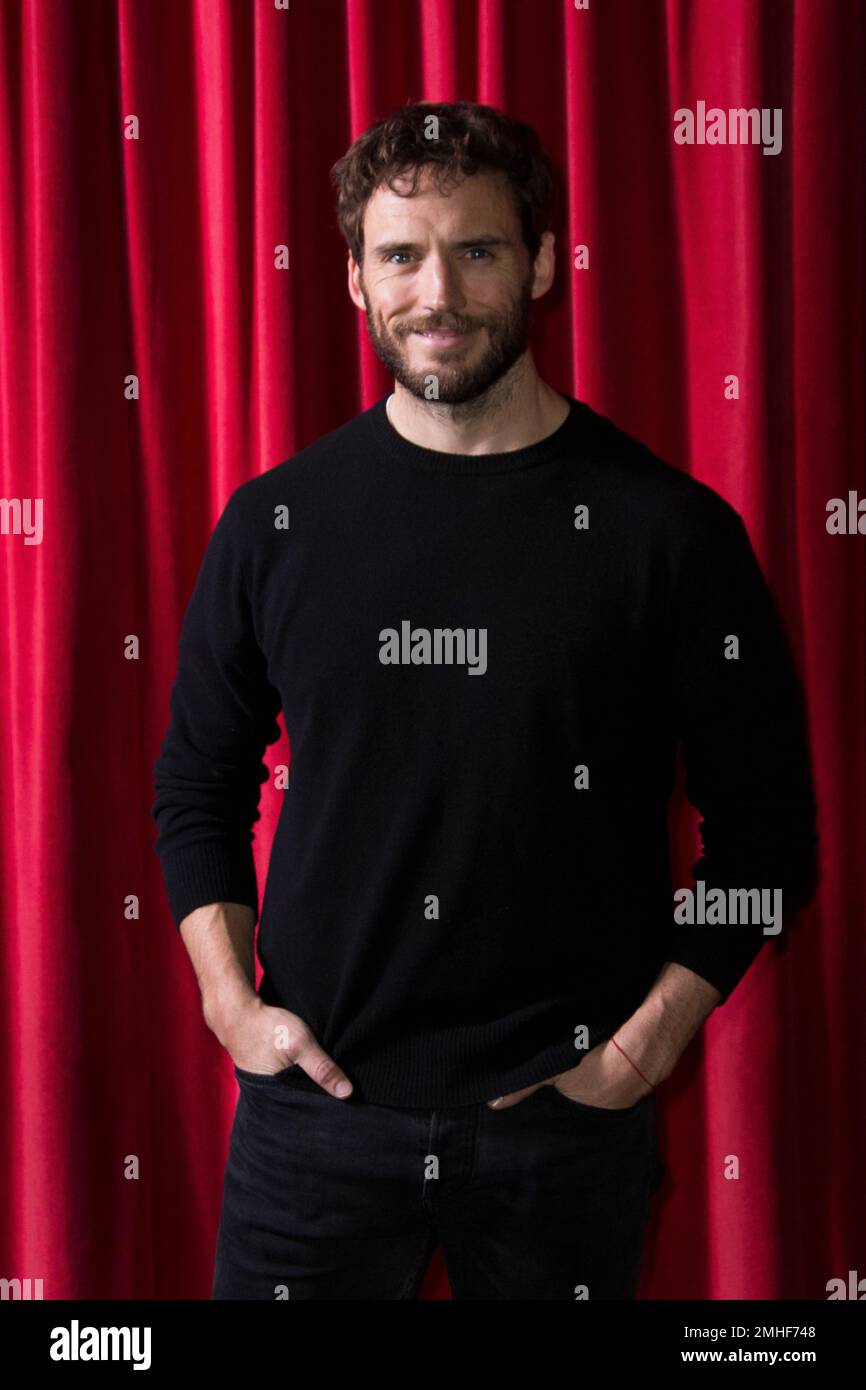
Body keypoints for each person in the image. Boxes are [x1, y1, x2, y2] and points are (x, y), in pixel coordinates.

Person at [151, 101, 819, 1300]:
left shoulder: (668, 534)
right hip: (314, 1126)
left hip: (562, 1138)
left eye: (476, 249)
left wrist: (637, 1052)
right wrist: (232, 1006)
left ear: (542, 262)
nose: (437, 294)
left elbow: (765, 836)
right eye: (399, 255)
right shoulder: (274, 525)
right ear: (353, 279)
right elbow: (197, 785)